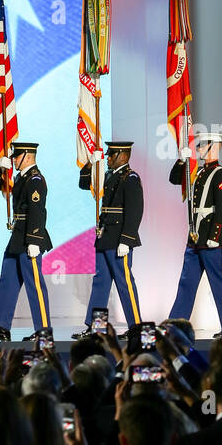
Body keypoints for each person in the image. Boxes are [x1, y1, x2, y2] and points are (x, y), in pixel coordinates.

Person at [0, 140, 53, 344]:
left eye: (16, 156)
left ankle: (44, 330)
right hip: (18, 238)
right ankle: (2, 327)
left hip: (30, 237)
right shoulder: (23, 178)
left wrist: (34, 240)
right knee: (8, 282)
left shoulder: (35, 179)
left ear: (27, 156)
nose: (13, 160)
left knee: (34, 285)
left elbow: (38, 212)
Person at [168, 131, 222, 335]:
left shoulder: (220, 174)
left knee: (218, 284)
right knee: (186, 284)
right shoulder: (199, 172)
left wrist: (215, 237)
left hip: (209, 238)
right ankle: (174, 327)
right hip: (195, 237)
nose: (198, 149)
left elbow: (221, 208)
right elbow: (174, 179)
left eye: (202, 145)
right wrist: (181, 160)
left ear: (213, 146)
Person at [76, 139, 143, 337]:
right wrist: (89, 164)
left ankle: (137, 328)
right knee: (101, 283)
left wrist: (127, 239)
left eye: (111, 155)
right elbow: (83, 184)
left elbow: (135, 211)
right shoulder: (107, 175)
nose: (108, 158)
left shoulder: (130, 178)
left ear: (123, 155)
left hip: (119, 239)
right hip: (105, 236)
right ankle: (96, 328)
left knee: (124, 283)